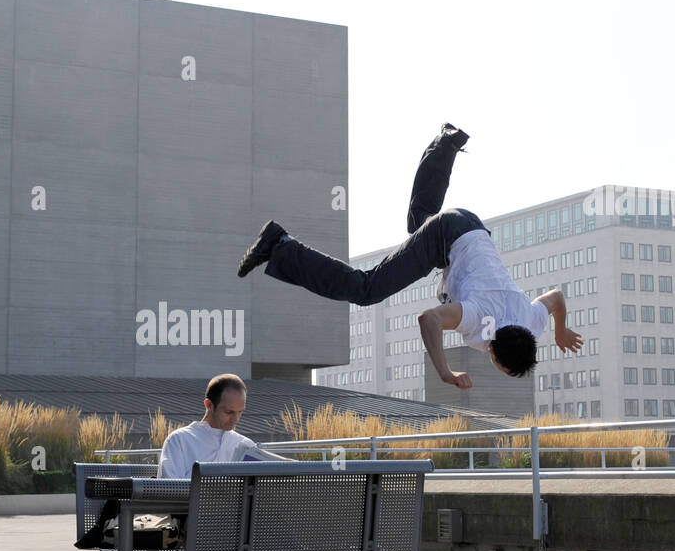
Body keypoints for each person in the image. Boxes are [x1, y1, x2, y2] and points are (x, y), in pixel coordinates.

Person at [237, 123, 583, 390]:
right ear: (493, 349)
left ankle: (445, 143)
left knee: (416, 222)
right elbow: (428, 319)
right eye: (501, 366)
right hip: (450, 237)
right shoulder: (477, 317)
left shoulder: (531, 322)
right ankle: (278, 245)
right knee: (367, 289)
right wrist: (444, 371)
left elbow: (554, 298)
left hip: (470, 229)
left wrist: (560, 329)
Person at [157, 373, 357, 551]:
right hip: (198, 530)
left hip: (243, 532)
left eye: (239, 413)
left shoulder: (242, 444)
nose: (234, 419)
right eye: (228, 412)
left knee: (265, 533)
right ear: (208, 405)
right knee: (264, 540)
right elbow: (169, 493)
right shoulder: (180, 441)